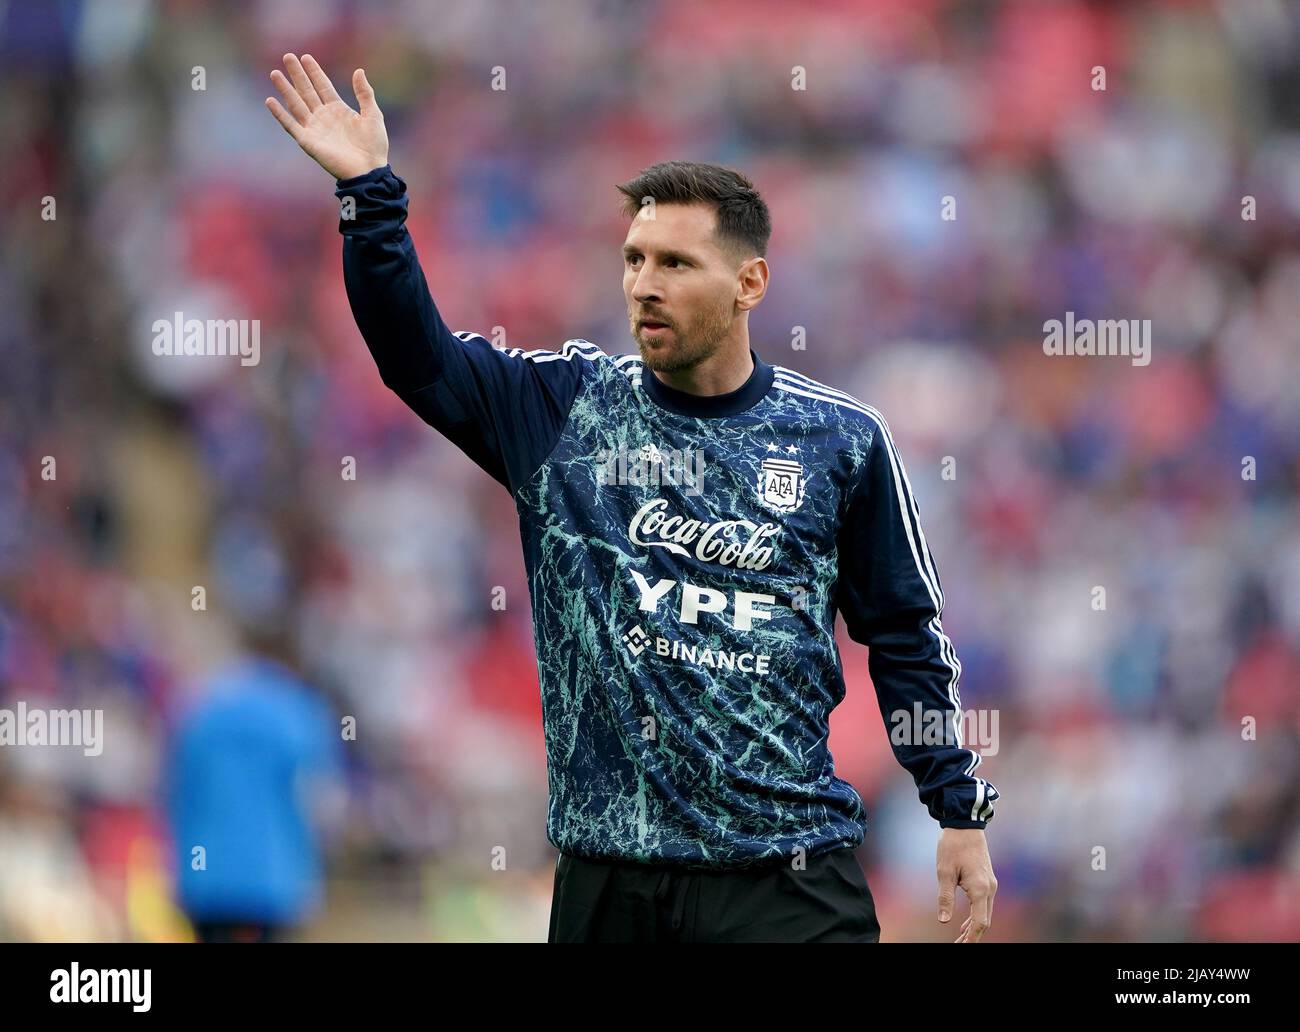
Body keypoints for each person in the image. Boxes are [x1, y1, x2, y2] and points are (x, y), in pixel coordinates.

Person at [265, 53, 999, 942]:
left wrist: (954, 805)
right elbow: (414, 357)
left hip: (786, 876)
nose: (644, 283)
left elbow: (904, 634)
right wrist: (368, 195)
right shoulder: (565, 409)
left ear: (750, 285)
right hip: (611, 882)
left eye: (677, 263)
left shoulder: (841, 442)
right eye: (634, 258)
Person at [165, 636, 343, 943]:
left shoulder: (199, 709)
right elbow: (321, 803)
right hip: (274, 882)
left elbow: (174, 794)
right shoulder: (299, 713)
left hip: (205, 883)